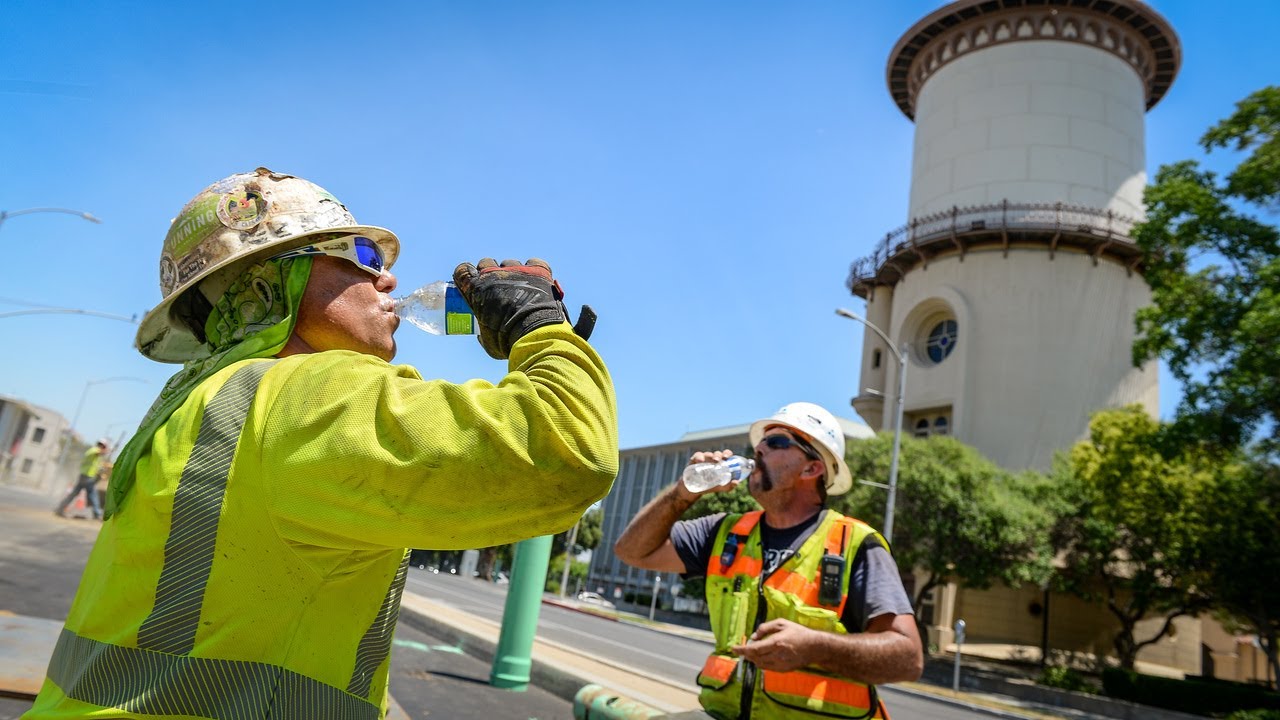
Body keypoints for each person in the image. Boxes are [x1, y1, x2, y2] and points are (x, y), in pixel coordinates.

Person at [25, 167, 618, 719]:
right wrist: (539, 327)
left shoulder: (202, 402)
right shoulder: (308, 397)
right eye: (361, 255)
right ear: (274, 278)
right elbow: (567, 448)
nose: (387, 278)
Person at [615, 402, 922, 719]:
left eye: (776, 442)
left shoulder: (854, 544)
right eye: (759, 441)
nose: (758, 447)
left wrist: (815, 647)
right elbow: (632, 551)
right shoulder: (726, 532)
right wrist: (683, 492)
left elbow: (908, 658)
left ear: (811, 468)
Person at [53, 438, 108, 519]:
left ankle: (60, 508)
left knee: (74, 494)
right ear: (102, 445)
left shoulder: (94, 453)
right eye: (104, 446)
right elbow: (101, 452)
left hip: (84, 476)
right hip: (87, 477)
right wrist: (107, 449)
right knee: (93, 495)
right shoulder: (94, 450)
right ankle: (97, 514)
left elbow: (96, 462)